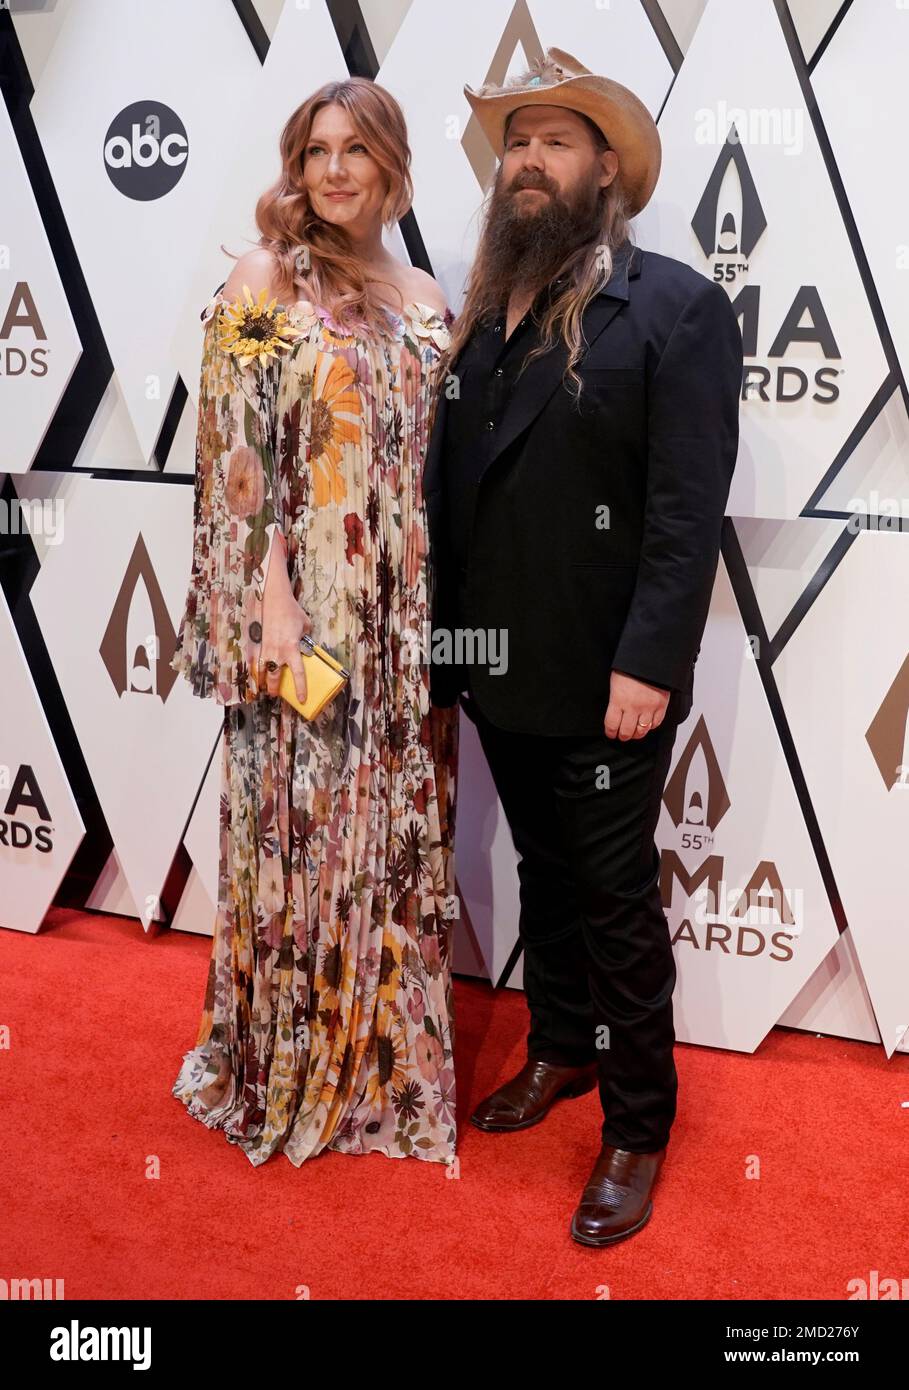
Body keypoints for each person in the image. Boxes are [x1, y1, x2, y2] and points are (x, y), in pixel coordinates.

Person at [425, 49, 742, 1242]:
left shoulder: (673, 305)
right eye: (516, 141)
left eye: (556, 141)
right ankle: (560, 1046)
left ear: (605, 169)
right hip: (498, 659)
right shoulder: (481, 307)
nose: (528, 160)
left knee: (612, 897)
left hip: (607, 671)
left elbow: (683, 507)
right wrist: (451, 658)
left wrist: (648, 663)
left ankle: (638, 1124)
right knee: (544, 879)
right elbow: (460, 496)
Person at [169, 77, 459, 1167]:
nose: (334, 169)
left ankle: (380, 1057)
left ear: (393, 165)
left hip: (399, 622)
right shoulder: (263, 277)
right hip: (304, 613)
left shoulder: (426, 293)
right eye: (316, 150)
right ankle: (285, 1054)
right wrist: (269, 601)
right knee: (300, 831)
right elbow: (231, 454)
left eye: (357, 149)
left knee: (383, 840)